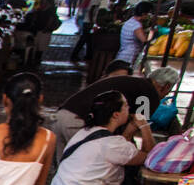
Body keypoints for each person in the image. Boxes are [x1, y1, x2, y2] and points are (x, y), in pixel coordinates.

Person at [48, 64, 177, 159]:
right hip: (79, 122)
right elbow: (136, 124)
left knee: (65, 168)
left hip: (62, 115)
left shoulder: (136, 83)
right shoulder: (150, 94)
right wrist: (125, 150)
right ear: (166, 87)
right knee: (81, 166)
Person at [117, 1, 154, 65]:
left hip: (123, 54)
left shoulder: (129, 21)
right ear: (143, 14)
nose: (149, 16)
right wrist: (152, 32)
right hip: (129, 57)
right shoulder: (137, 26)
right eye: (148, 14)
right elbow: (145, 41)